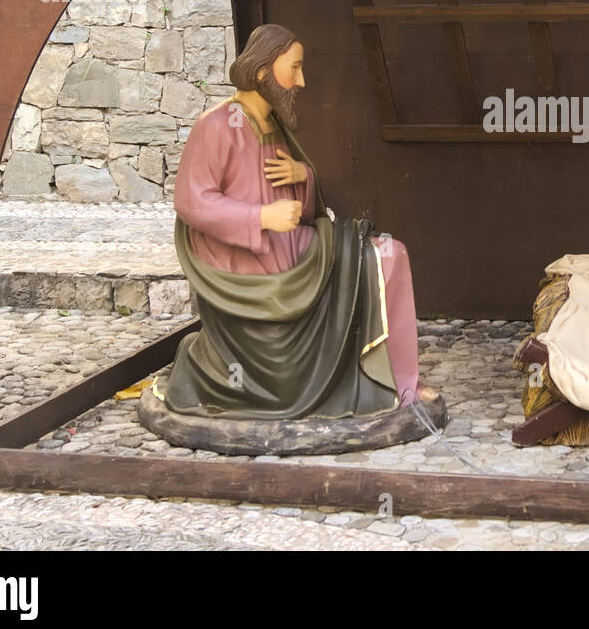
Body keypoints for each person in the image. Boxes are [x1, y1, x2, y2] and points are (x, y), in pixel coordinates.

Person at [161, 22, 436, 419]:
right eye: (295, 68)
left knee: (390, 254)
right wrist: (261, 217)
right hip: (247, 265)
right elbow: (192, 202)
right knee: (382, 258)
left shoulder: (272, 124)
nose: (301, 81)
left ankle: (400, 382)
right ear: (261, 72)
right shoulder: (218, 126)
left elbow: (305, 212)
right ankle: (387, 383)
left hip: (290, 251)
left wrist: (302, 177)